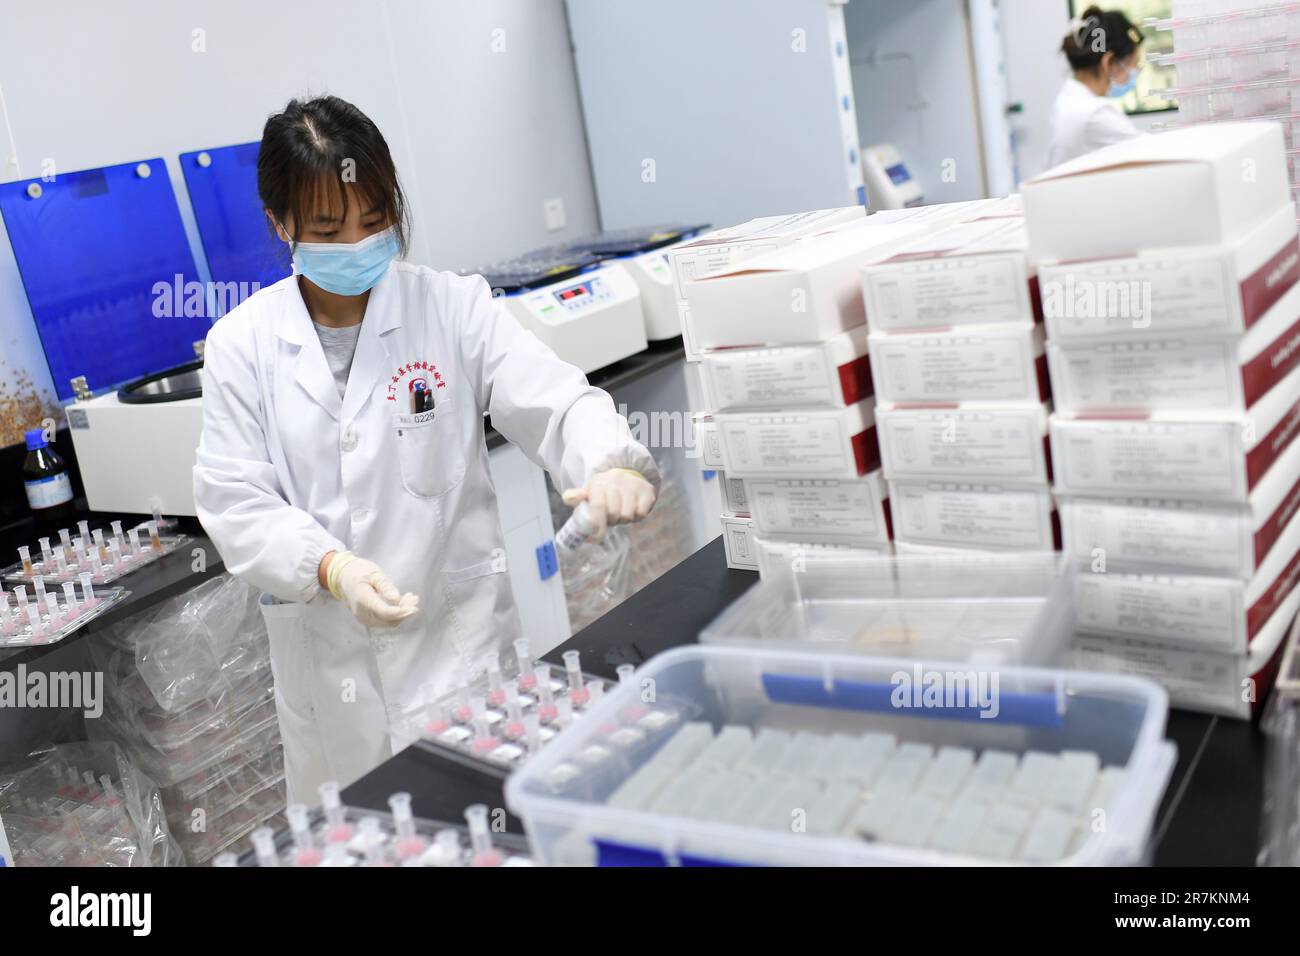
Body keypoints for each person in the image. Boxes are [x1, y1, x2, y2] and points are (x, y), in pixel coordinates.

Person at [193, 95, 659, 801]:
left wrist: (611, 463)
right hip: (333, 690)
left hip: (462, 666)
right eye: (328, 226)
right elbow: (233, 499)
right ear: (279, 224)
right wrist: (331, 566)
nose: (357, 243)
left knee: (487, 831)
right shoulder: (242, 346)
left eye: (374, 221)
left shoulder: (452, 307)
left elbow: (557, 399)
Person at [1046, 6, 1146, 169]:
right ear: (1109, 62)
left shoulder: (1070, 98)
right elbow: (1150, 152)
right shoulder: (1094, 113)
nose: (1134, 73)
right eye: (1133, 65)